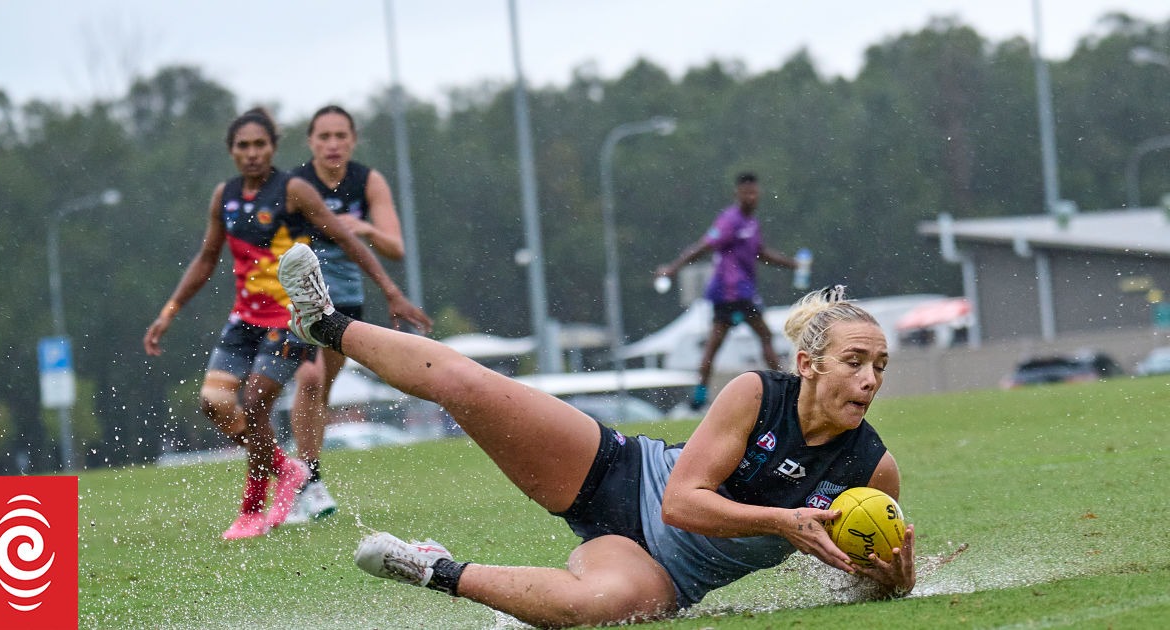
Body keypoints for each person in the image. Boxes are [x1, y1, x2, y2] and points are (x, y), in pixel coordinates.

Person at [276, 243, 915, 627]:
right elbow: (681, 503)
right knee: (470, 387)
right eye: (854, 361)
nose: (869, 379)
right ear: (808, 364)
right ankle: (325, 322)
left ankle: (429, 566)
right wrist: (783, 524)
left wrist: (895, 578)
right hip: (619, 475)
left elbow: (863, 577)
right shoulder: (756, 393)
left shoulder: (871, 469)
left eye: (879, 366)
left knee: (603, 607)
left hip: (664, 575)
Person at [142, 108, 431, 541]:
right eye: (243, 145)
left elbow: (349, 240)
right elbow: (206, 259)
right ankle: (288, 468)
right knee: (214, 403)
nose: (252, 153)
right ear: (231, 151)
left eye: (260, 144)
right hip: (244, 319)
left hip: (289, 318)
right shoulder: (224, 196)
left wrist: (391, 292)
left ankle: (253, 507)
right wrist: (168, 313)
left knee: (261, 400)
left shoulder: (293, 190)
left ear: (274, 147)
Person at [285, 105, 406, 525]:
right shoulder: (297, 185)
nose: (333, 144)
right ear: (310, 142)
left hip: (347, 298)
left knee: (323, 389)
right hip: (302, 299)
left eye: (341, 136)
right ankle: (307, 482)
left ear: (353, 140)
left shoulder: (367, 181)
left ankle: (305, 476)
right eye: (324, 136)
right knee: (309, 377)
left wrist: (364, 228)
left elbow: (396, 247)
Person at [656, 172, 797, 410]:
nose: (751, 197)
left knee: (734, 341)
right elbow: (703, 247)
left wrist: (789, 264)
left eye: (754, 192)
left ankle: (701, 394)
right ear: (737, 194)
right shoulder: (729, 221)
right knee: (750, 338)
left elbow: (761, 253)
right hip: (729, 292)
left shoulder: (753, 223)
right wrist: (673, 268)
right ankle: (784, 389)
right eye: (746, 193)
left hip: (743, 291)